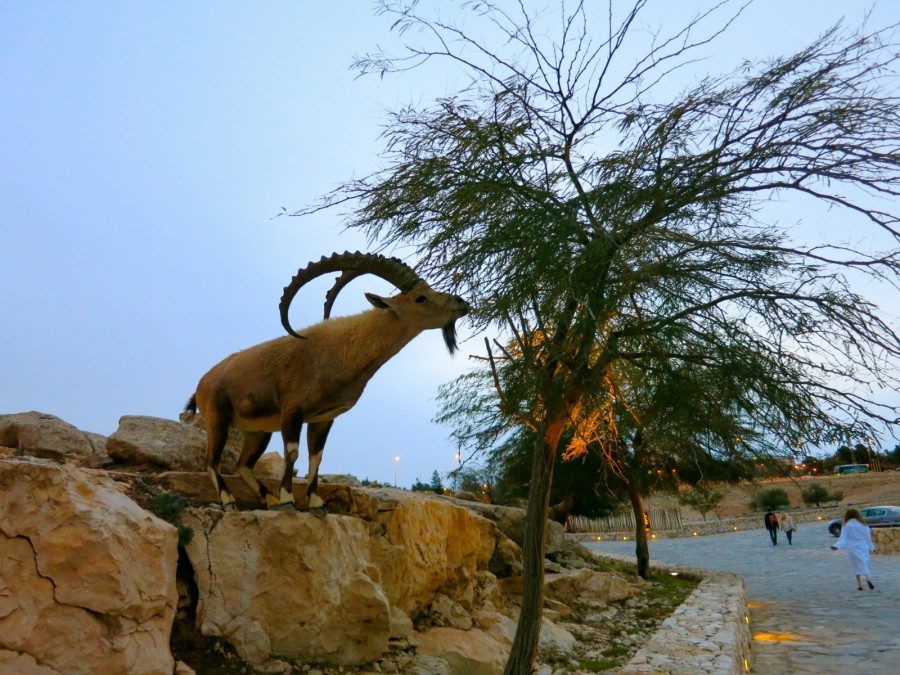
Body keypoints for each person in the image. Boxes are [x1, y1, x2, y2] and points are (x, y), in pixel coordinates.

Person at [831, 508, 877, 590]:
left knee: (855, 565)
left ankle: (860, 585)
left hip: (853, 548)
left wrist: (837, 546)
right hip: (863, 546)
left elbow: (843, 539)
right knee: (863, 563)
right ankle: (868, 578)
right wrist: (872, 548)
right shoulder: (864, 525)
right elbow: (868, 538)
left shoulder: (847, 525)